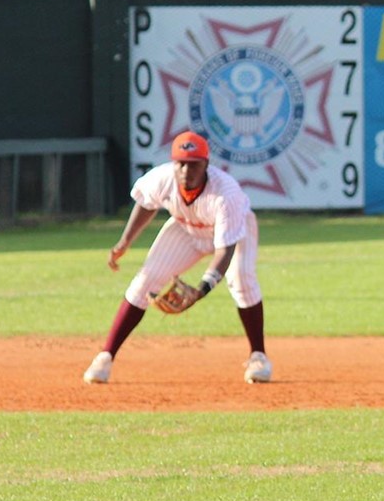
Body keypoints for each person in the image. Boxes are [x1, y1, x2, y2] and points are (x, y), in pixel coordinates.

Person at [83, 130, 272, 385]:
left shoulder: (226, 193)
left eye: (193, 164)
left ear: (206, 164)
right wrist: (125, 242)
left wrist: (202, 289)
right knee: (145, 283)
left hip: (235, 230)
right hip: (187, 228)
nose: (186, 170)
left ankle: (258, 356)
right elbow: (146, 204)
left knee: (241, 279)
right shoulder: (163, 178)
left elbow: (224, 250)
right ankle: (105, 357)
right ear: (174, 163)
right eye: (181, 163)